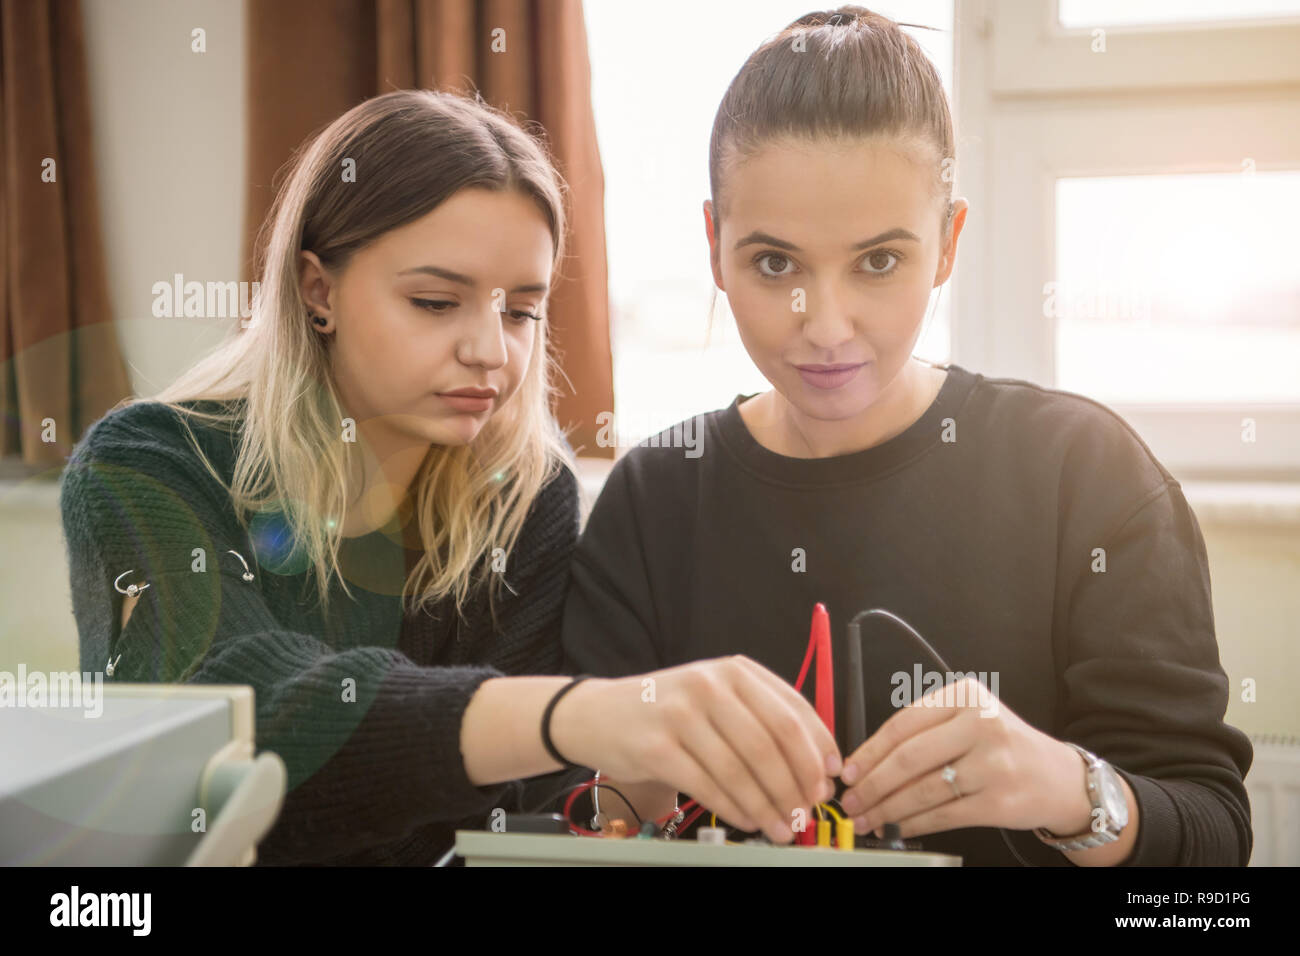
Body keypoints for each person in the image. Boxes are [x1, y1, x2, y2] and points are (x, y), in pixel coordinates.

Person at [59, 89, 839, 865]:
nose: (492, 352)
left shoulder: (524, 498)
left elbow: (514, 813)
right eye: (436, 302)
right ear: (317, 290)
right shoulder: (147, 466)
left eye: (521, 312)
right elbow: (234, 715)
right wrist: (577, 714)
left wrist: (623, 793)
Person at [560, 7, 1253, 866]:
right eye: (775, 264)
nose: (827, 327)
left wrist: (1067, 788)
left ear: (948, 243)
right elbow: (575, 821)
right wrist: (633, 792)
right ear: (714, 245)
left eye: (880, 261)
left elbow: (1213, 849)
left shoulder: (1086, 474)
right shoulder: (654, 497)